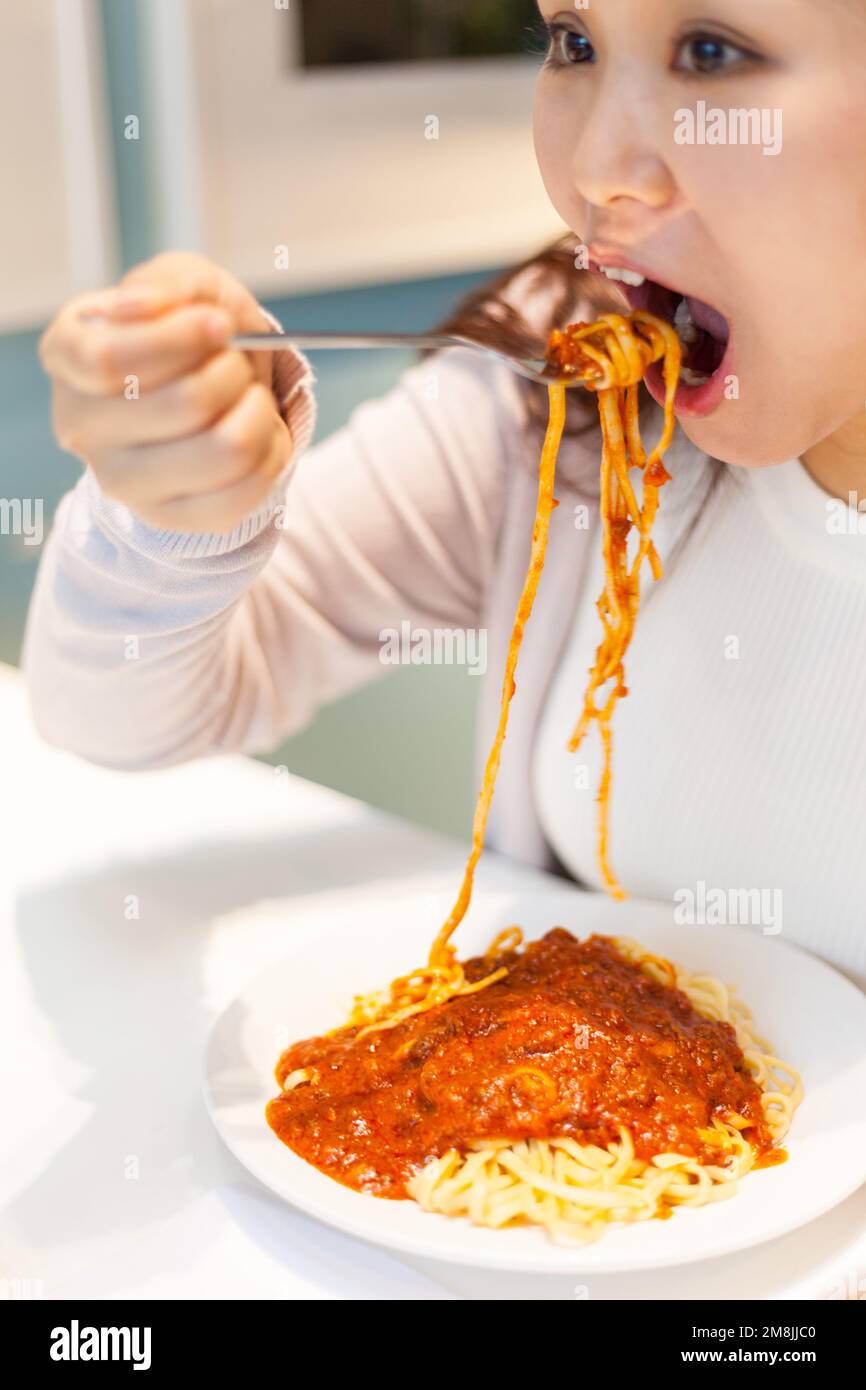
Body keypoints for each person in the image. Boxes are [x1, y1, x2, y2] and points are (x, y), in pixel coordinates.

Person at [26, 1, 866, 985]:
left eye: (710, 53)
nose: (596, 171)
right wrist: (180, 505)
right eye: (573, 43)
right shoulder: (557, 385)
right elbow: (114, 713)